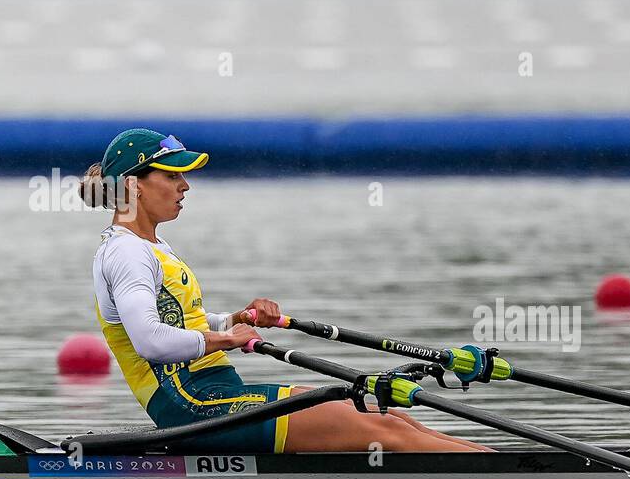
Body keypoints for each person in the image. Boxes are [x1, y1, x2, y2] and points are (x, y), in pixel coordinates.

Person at [83, 128, 487, 452]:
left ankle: (508, 467)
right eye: (172, 175)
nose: (185, 186)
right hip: (191, 406)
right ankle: (516, 478)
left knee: (386, 417)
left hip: (217, 395)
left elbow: (179, 322)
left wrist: (234, 320)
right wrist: (225, 339)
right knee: (388, 433)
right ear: (133, 186)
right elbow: (150, 340)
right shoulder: (127, 254)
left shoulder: (151, 247)